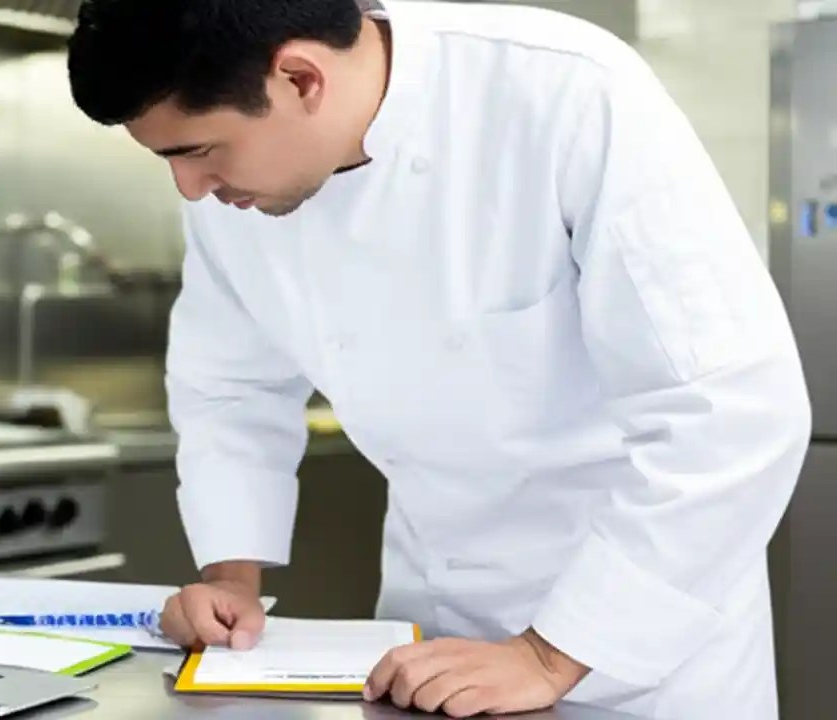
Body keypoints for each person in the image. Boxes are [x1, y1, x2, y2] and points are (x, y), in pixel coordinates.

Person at [66, 1, 810, 718]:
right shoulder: (238, 189)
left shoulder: (566, 90)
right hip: (426, 640)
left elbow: (731, 413)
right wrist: (231, 578)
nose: (189, 187)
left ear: (299, 79)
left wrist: (547, 657)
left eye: (197, 151)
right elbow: (230, 386)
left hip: (636, 646)